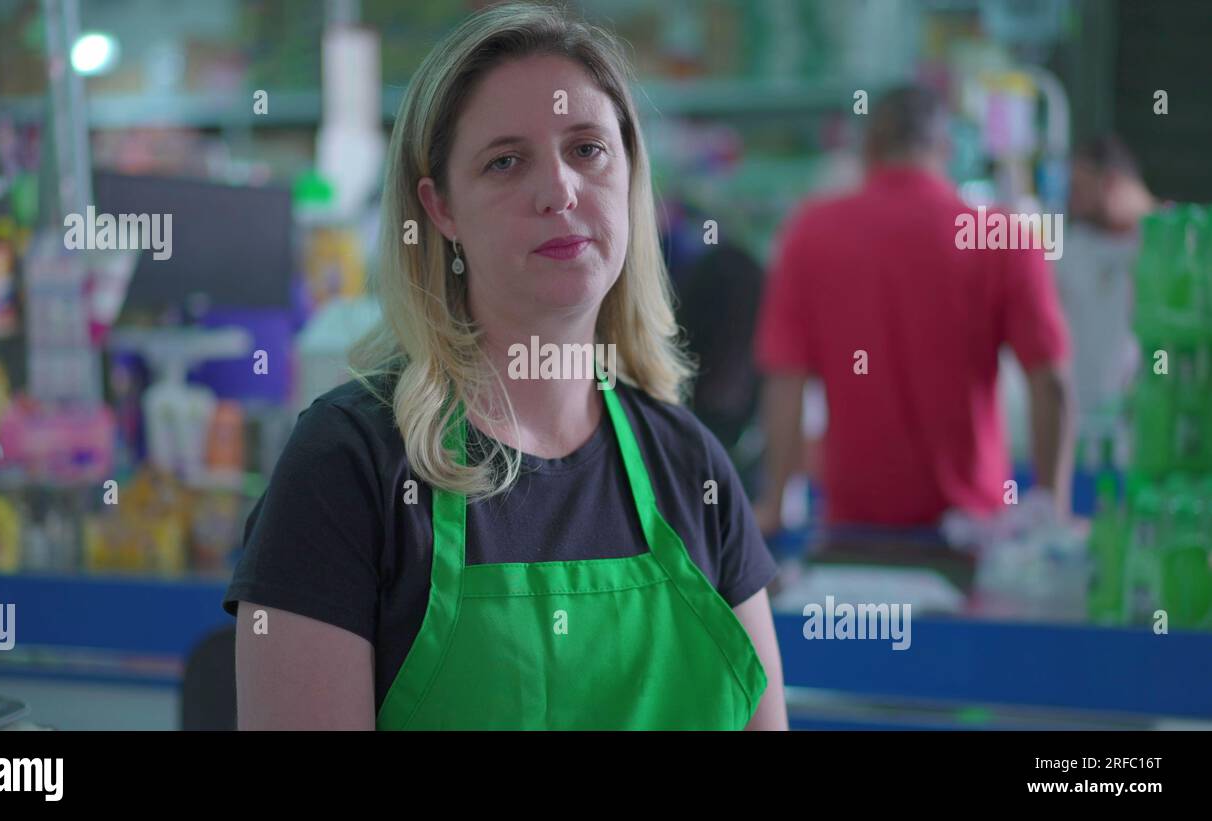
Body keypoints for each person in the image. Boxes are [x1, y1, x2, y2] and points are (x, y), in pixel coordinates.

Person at [226, 2, 787, 730]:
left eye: (587, 149)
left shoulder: (693, 472)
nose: (559, 190)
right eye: (505, 160)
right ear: (440, 209)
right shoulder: (350, 469)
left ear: (629, 175)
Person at [751, 86, 1075, 538]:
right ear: (945, 148)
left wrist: (775, 503)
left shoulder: (810, 233)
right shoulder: (1001, 236)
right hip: (972, 532)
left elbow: (786, 383)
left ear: (868, 151)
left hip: (854, 533)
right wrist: (1051, 510)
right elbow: (1051, 383)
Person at [1057, 135, 1156, 453]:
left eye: (1080, 190)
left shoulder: (1172, 250)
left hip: (1146, 435)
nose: (1072, 202)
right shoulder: (1072, 250)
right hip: (1085, 436)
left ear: (1111, 183)